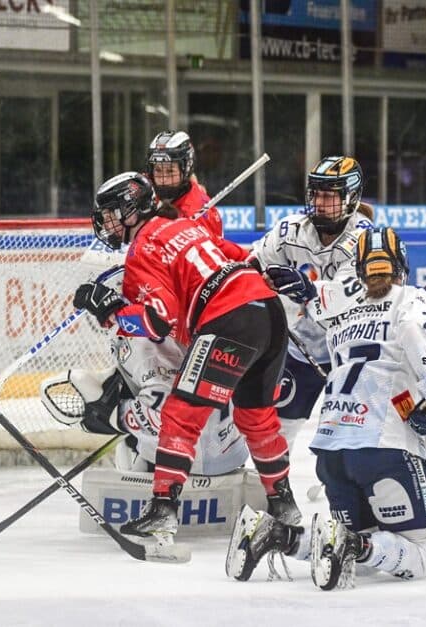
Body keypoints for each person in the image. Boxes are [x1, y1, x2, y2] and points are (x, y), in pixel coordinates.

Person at [72, 171, 299, 545]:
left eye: (112, 214)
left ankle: (163, 511)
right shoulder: (185, 225)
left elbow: (158, 320)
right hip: (270, 313)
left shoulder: (143, 248)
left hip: (229, 317)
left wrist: (112, 313)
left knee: (179, 415)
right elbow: (243, 257)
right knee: (255, 417)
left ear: (132, 210)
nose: (108, 223)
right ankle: (284, 504)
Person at [226, 227, 426, 589]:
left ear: (359, 270)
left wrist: (302, 288)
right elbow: (414, 330)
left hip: (332, 451)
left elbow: (319, 296)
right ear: (403, 267)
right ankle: (349, 541)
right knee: (420, 556)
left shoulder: (342, 310)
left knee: (360, 555)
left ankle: (275, 534)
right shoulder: (413, 299)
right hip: (384, 446)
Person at [250, 155, 375, 447]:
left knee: (353, 436)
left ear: (351, 197)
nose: (319, 202)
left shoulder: (366, 239)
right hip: (304, 346)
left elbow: (343, 296)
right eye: (316, 194)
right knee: (278, 428)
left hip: (354, 349)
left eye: (329, 196)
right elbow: (253, 263)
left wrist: (306, 288)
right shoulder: (290, 231)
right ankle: (273, 474)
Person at [40, 332, 250, 476]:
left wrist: (115, 416)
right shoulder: (180, 317)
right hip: (233, 449)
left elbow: (165, 413)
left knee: (128, 446)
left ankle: (151, 497)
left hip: (195, 460)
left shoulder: (145, 343)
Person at [145, 129, 248, 260]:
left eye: (170, 171)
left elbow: (212, 261)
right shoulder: (144, 188)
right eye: (158, 170)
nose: (163, 180)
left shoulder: (198, 212)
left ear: (186, 169)